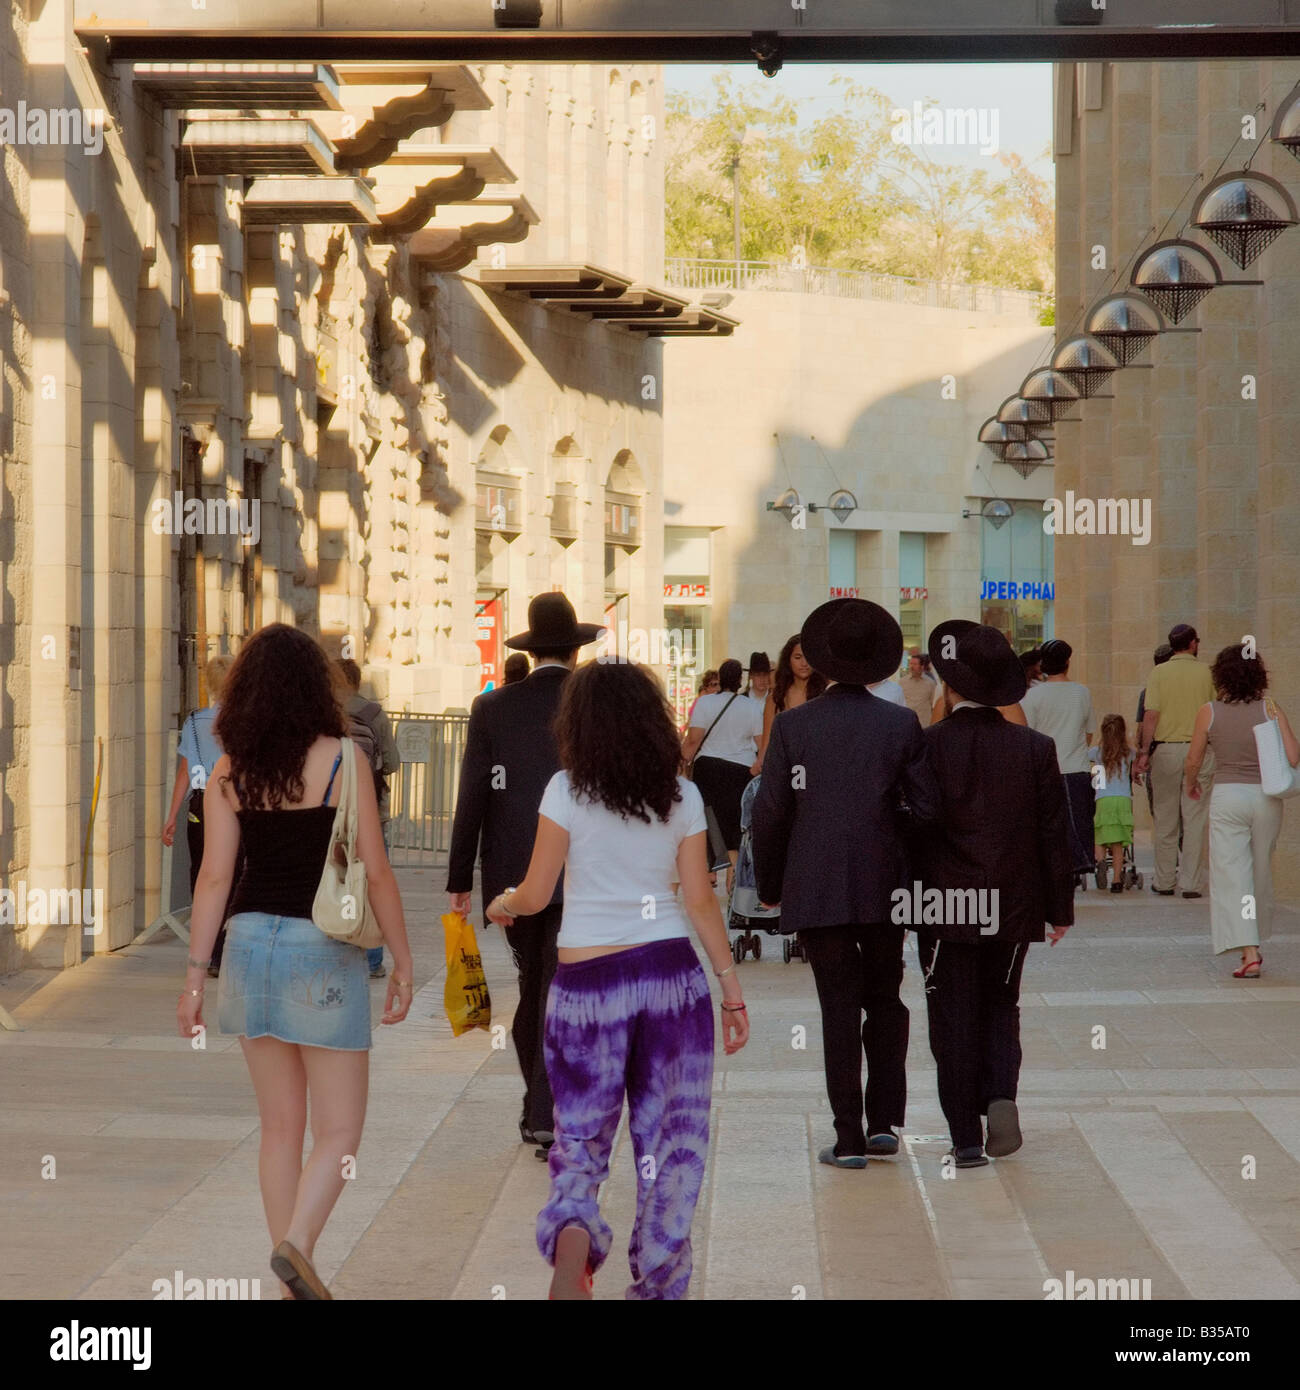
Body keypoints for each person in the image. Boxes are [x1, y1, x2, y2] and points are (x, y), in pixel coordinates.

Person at [485, 660, 749, 1299]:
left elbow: (538, 889)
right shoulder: (680, 794)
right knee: (671, 1145)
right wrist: (730, 988)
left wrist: (504, 902)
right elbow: (699, 899)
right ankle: (658, 1283)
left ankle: (574, 1230)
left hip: (585, 983)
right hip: (669, 979)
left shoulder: (563, 789)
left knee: (579, 1134)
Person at [176, 623, 415, 1300]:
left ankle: (290, 1279)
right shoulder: (343, 757)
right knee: (339, 1131)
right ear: (317, 686)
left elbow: (214, 879)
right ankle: (298, 1249)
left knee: (279, 1128)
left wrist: (195, 975)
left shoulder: (228, 769)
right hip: (322, 949)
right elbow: (374, 871)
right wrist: (400, 960)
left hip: (248, 944)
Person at [753, 599, 939, 1168]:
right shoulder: (900, 723)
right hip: (885, 885)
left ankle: (848, 1138)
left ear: (826, 661)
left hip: (816, 884)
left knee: (837, 1007)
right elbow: (926, 809)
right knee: (886, 998)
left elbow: (771, 811)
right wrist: (887, 829)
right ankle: (883, 1122)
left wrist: (771, 883)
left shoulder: (793, 725)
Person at [446, 591, 605, 1152]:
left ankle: (541, 1107)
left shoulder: (493, 708)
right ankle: (548, 1106)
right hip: (584, 869)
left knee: (535, 984)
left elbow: (473, 798)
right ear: (577, 649)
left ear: (533, 650)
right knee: (561, 987)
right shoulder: (596, 702)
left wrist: (459, 879)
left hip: (515, 872)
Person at [917, 621, 1074, 1168]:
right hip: (1013, 902)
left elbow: (912, 827)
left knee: (951, 1014)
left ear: (951, 689)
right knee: (1001, 1005)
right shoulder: (1035, 749)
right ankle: (1001, 1095)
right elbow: (1055, 834)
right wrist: (1059, 910)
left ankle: (964, 1136)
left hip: (944, 906)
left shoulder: (927, 746)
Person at [1184, 644, 1300, 978]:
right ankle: (1255, 943)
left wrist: (1191, 783)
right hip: (1266, 797)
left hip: (1228, 795)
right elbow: (1293, 756)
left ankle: (1249, 950)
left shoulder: (1209, 711)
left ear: (1220, 674)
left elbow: (1193, 758)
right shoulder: (1270, 708)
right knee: (1260, 870)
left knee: (1232, 874)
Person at [162, 653, 238, 977]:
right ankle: (229, 949)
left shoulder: (194, 723)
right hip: (235, 807)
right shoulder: (245, 722)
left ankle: (208, 951)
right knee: (234, 876)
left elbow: (183, 772)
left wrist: (171, 816)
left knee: (202, 875)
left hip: (200, 807)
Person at [1135, 624, 1216, 897]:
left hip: (1166, 751)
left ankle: (1164, 880)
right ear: (1193, 643)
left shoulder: (1159, 672)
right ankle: (1191, 883)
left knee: (1166, 817)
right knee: (1194, 819)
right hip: (1199, 750)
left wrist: (1144, 751)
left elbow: (1151, 715)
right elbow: (1215, 712)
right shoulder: (1207, 672)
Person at [336, 658, 401, 979]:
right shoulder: (374, 713)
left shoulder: (321, 713)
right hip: (372, 814)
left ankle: (336, 949)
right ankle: (373, 959)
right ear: (358, 681)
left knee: (334, 882)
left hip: (330, 817)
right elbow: (391, 762)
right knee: (373, 882)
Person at [681, 658, 764, 895]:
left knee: (708, 819)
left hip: (708, 769)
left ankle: (710, 873)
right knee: (735, 823)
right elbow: (760, 744)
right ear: (740, 680)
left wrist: (683, 761)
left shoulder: (705, 703)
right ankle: (733, 878)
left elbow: (693, 740)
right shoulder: (751, 707)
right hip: (740, 770)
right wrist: (757, 767)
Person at [1021, 639, 1097, 882]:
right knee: (1077, 823)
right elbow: (1089, 732)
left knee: (1047, 827)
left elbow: (1027, 734)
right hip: (1076, 768)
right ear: (1067, 663)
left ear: (1043, 664)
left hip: (1044, 770)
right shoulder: (1081, 692)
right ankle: (1077, 866)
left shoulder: (1032, 696)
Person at [756, 633, 827, 764]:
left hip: (819, 766)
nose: (804, 663)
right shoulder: (775, 698)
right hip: (786, 767)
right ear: (788, 661)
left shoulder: (825, 695)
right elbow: (766, 745)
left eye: (808, 657)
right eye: (798, 657)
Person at [1089, 715, 1135, 892]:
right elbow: (1136, 754)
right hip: (1123, 799)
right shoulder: (1128, 753)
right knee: (1118, 843)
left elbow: (1094, 775)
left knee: (1099, 836)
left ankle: (1100, 863)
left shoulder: (1096, 753)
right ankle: (1116, 881)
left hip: (1103, 799)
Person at [1136, 643, 1174, 818]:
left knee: (1159, 809)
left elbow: (1142, 727)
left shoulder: (1149, 690)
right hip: (1185, 751)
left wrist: (1142, 754)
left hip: (1157, 753)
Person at [901, 648, 944, 726]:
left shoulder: (930, 683)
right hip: (907, 723)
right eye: (911, 664)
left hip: (924, 723)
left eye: (915, 664)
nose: (911, 667)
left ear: (922, 666)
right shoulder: (902, 682)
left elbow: (933, 704)